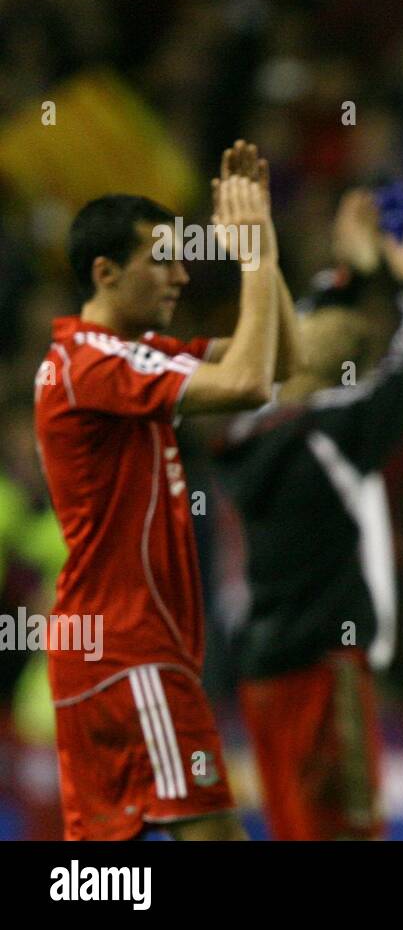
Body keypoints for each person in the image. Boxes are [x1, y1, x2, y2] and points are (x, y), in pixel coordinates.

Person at [34, 140, 300, 840]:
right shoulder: (93, 361)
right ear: (106, 271)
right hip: (129, 650)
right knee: (216, 834)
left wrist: (263, 246)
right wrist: (253, 262)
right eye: (164, 260)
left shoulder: (124, 354)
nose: (182, 276)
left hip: (121, 651)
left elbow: (278, 363)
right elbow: (245, 382)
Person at [212, 167, 403, 841]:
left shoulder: (253, 429)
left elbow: (325, 342)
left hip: (266, 673)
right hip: (321, 671)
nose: (338, 333)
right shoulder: (323, 433)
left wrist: (348, 273)